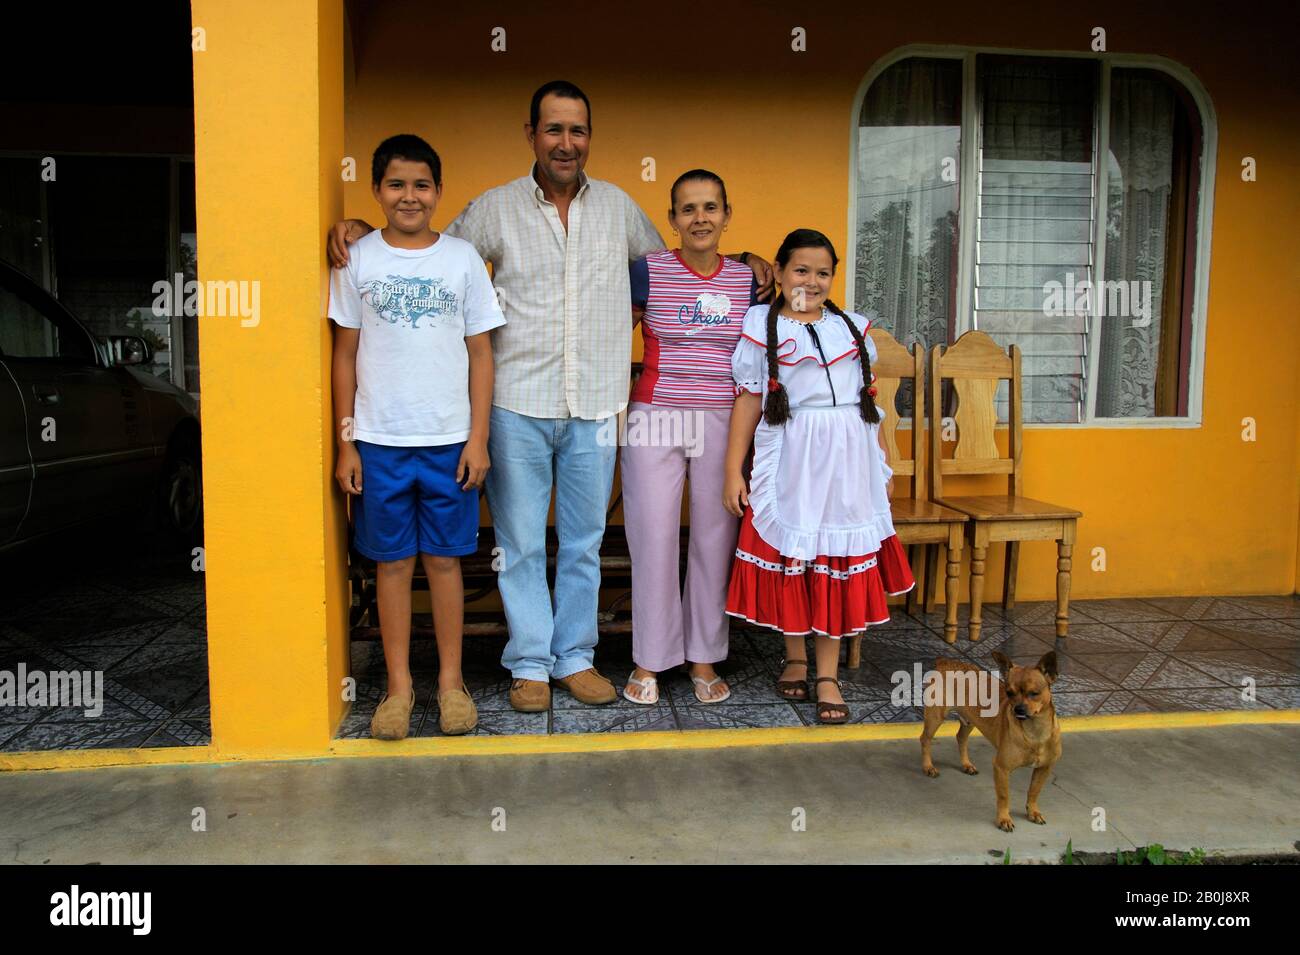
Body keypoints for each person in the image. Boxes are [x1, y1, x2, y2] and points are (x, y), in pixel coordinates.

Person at [329, 81, 773, 713]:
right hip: (515, 401)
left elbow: (680, 262)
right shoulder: (495, 208)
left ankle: (576, 657)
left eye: (578, 131)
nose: (566, 143)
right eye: (554, 129)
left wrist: (747, 259)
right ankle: (530, 662)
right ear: (531, 135)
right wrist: (363, 231)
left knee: (584, 541)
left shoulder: (619, 208)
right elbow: (425, 251)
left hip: (596, 402)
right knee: (520, 541)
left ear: (589, 138)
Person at [329, 134, 505, 738]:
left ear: (438, 191)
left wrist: (478, 439)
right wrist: (347, 442)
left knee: (446, 563)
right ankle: (399, 689)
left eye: (422, 185)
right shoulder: (358, 260)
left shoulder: (460, 259)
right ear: (377, 190)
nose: (410, 196)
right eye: (396, 184)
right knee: (392, 565)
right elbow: (345, 354)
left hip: (449, 441)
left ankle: (451, 684)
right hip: (378, 443)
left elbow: (481, 355)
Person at [722, 229, 915, 724]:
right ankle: (794, 658)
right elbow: (747, 400)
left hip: (849, 462)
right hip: (794, 457)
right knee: (797, 554)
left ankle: (827, 674)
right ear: (781, 274)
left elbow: (868, 407)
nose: (811, 281)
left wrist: (879, 465)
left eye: (823, 272)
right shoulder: (760, 327)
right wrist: (732, 471)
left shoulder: (851, 328)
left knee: (837, 554)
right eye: (801, 270)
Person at [620, 170, 757, 705]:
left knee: (713, 539)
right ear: (672, 218)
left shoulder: (747, 279)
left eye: (710, 208)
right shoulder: (647, 270)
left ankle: (703, 656)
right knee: (651, 536)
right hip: (656, 413)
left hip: (723, 418)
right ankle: (649, 660)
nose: (699, 218)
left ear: (726, 214)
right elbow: (611, 335)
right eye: (687, 209)